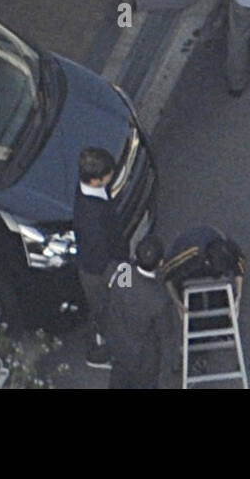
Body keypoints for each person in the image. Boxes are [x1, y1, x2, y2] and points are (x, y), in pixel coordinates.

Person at [72, 146, 128, 368]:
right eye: (108, 175)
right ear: (96, 180)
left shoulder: (89, 192)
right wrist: (117, 272)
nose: (111, 177)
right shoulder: (91, 215)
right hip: (97, 271)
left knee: (107, 307)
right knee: (104, 309)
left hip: (104, 264)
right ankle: (99, 353)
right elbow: (100, 251)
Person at [105, 236, 176, 390]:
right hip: (145, 360)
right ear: (160, 263)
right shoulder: (158, 297)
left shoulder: (125, 273)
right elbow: (166, 334)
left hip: (120, 348)